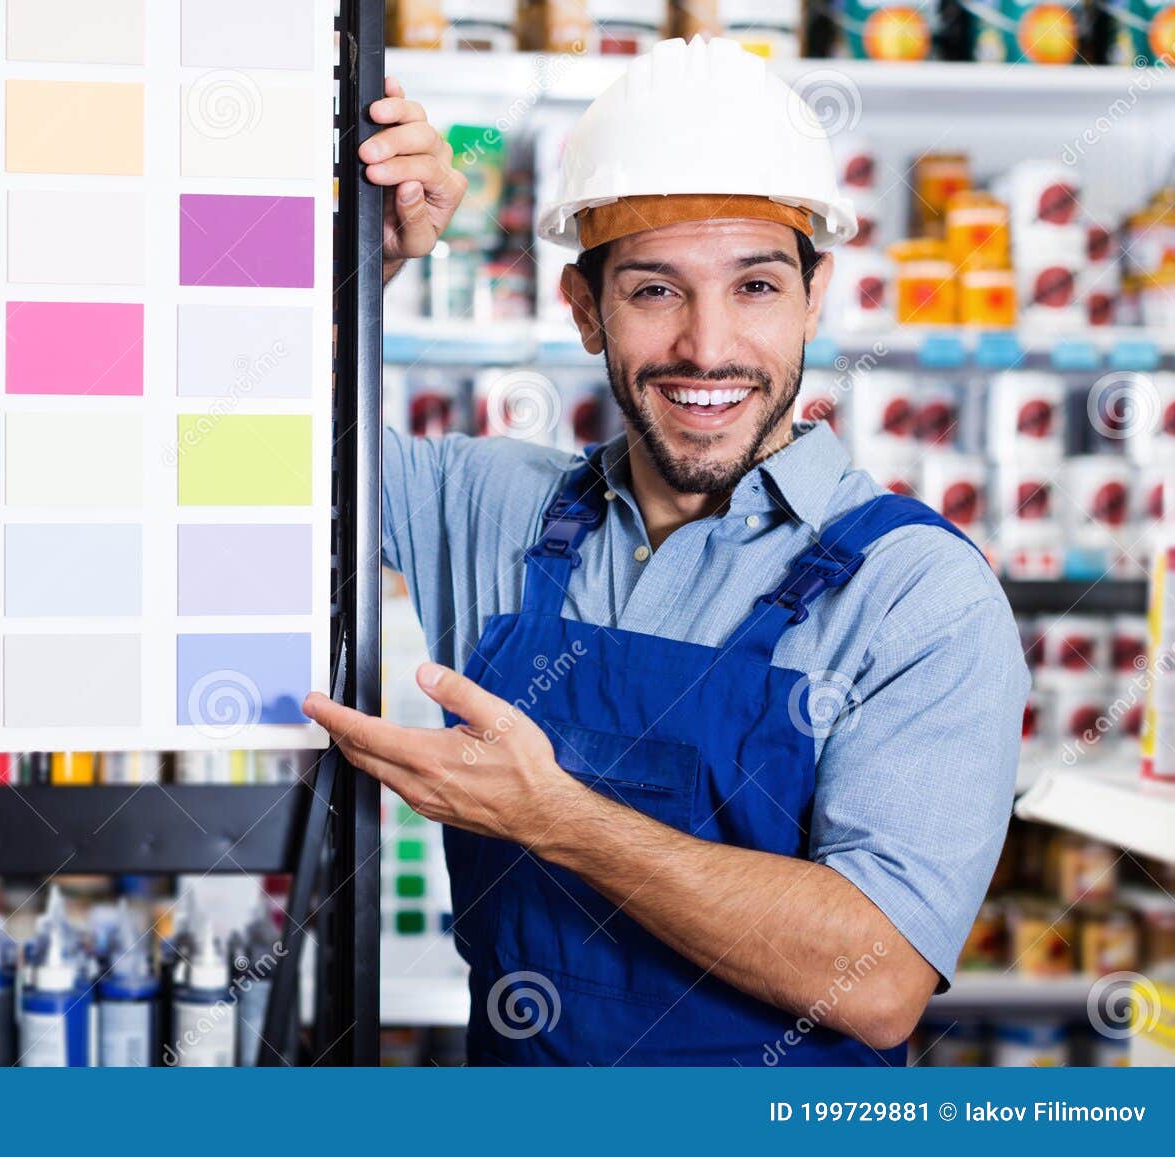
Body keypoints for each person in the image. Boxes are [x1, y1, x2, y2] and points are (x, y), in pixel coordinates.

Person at [300, 38, 1029, 1066]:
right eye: (653, 290)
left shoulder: (918, 594)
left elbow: (877, 978)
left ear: (815, 298)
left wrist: (556, 816)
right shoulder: (486, 505)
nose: (707, 347)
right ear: (584, 309)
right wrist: (358, 267)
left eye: (757, 287)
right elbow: (226, 445)